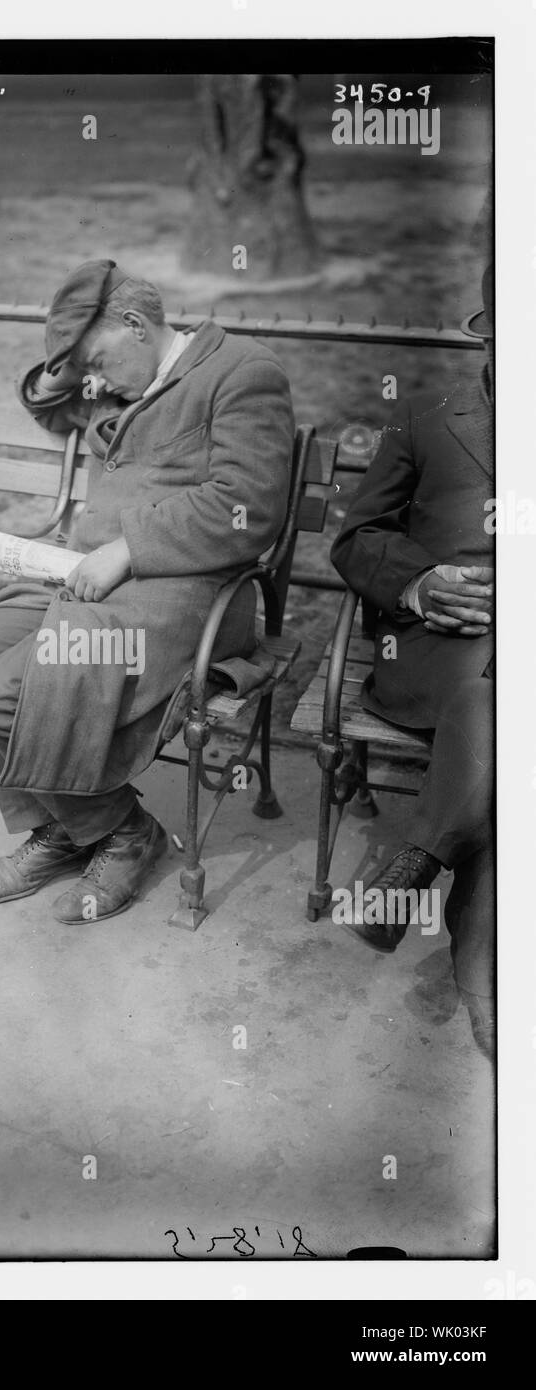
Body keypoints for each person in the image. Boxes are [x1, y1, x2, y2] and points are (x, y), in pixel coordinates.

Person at [0, 259, 294, 924]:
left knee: (6, 693)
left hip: (192, 596)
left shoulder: (242, 372)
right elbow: (48, 401)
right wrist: (74, 362)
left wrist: (128, 549)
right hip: (96, 583)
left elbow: (249, 506)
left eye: (97, 358)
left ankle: (125, 835)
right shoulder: (121, 385)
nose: (94, 379)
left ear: (134, 326)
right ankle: (69, 826)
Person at [331, 268, 495, 1059]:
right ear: (487, 333)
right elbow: (356, 539)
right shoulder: (424, 419)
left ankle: (419, 869)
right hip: (432, 648)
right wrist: (422, 585)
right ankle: (485, 970)